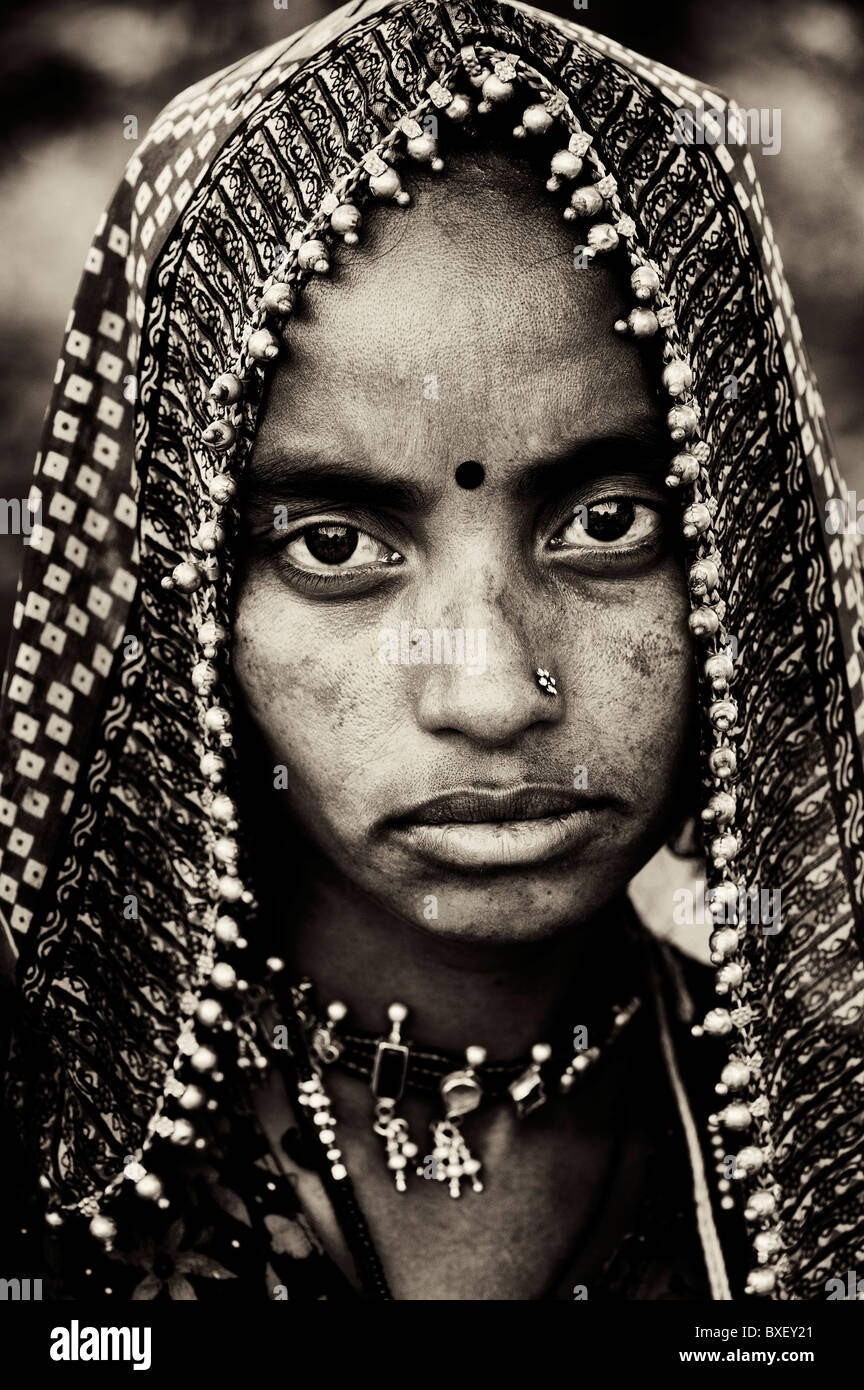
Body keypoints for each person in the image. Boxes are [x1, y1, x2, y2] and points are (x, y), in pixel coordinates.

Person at [1, 0, 862, 1301]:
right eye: (337, 545)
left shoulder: (832, 1159)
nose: (493, 692)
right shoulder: (48, 1166)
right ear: (183, 597)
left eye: (606, 523)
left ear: (738, 553)